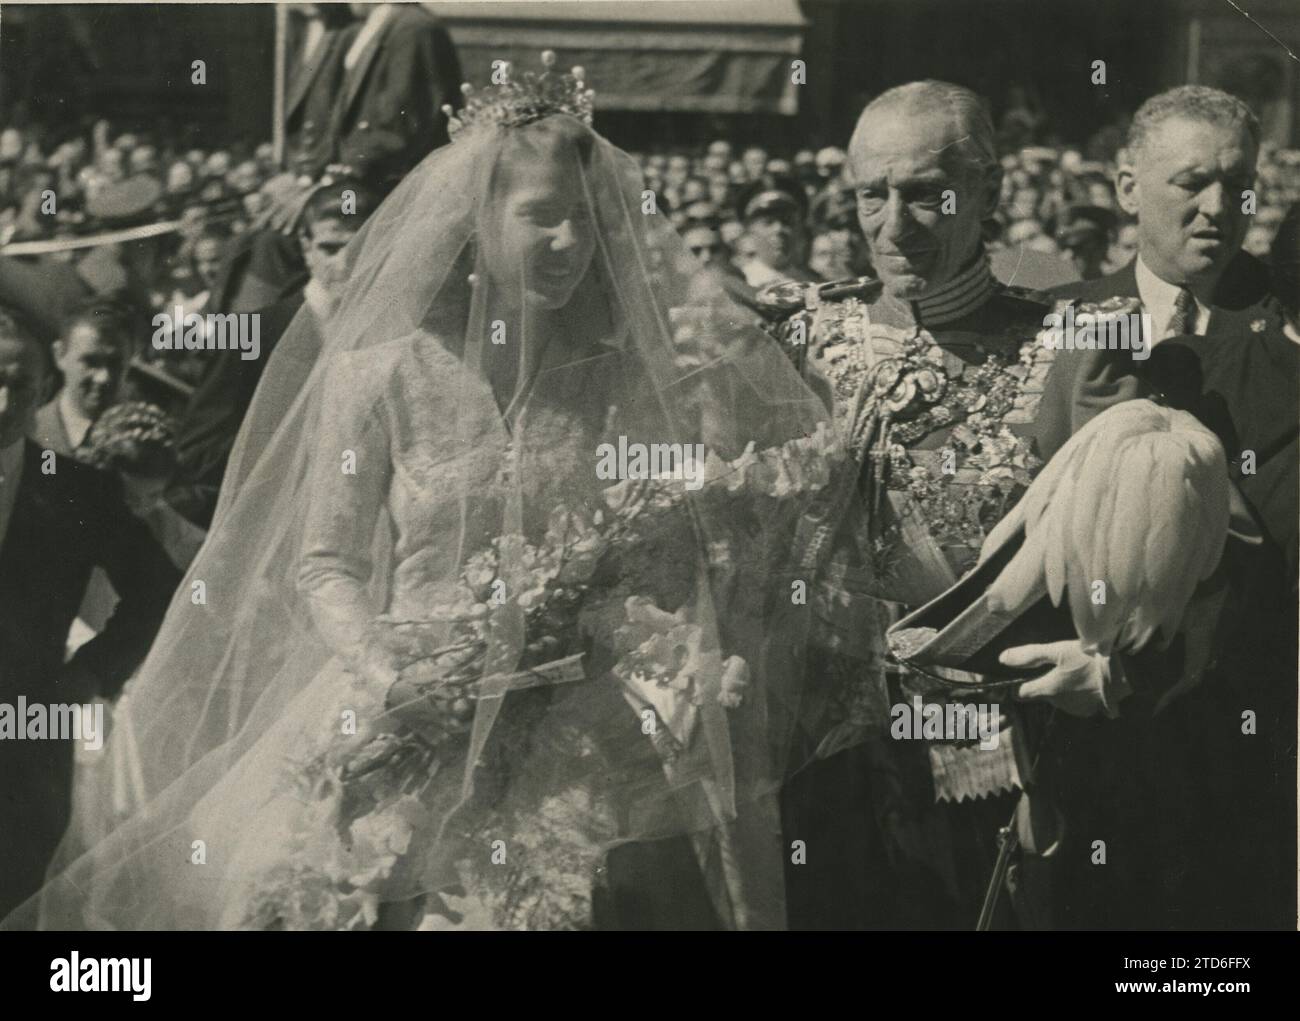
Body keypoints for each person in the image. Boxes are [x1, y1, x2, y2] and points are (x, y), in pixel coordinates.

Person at [7, 54, 834, 931]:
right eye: (543, 218)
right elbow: (324, 562)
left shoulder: (617, 379)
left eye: (589, 221)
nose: (572, 244)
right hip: (398, 705)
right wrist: (387, 673)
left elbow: (654, 552)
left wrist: (656, 637)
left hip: (569, 731)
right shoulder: (377, 375)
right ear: (475, 224)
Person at [758, 80, 1089, 929]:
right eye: (873, 195)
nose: (895, 226)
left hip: (980, 758)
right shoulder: (797, 340)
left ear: (989, 192)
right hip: (818, 754)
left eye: (926, 194)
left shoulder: (1066, 352)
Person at [1033, 88, 1296, 930]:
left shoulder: (1290, 332)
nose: (1220, 207)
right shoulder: (1058, 324)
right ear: (1125, 187)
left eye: (1238, 183)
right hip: (1081, 752)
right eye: (1191, 182)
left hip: (1249, 755)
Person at [0, 308, 178, 919]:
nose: (2, 401)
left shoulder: (75, 491)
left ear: (44, 387)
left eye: (18, 386)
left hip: (22, 750)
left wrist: (91, 675)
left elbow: (159, 590)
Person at [171, 178, 381, 528]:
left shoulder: (396, 326)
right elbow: (197, 452)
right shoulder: (253, 332)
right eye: (330, 248)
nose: (344, 264)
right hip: (278, 529)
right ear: (306, 247)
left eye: (358, 248)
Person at [328, 3, 464, 189]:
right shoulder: (385, 22)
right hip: (362, 176)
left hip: (390, 184)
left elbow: (402, 124)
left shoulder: (413, 28)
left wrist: (354, 166)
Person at [32, 299, 132, 459]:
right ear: (59, 356)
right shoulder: (26, 437)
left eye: (115, 363)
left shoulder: (141, 445)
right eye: (90, 362)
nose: (103, 377)